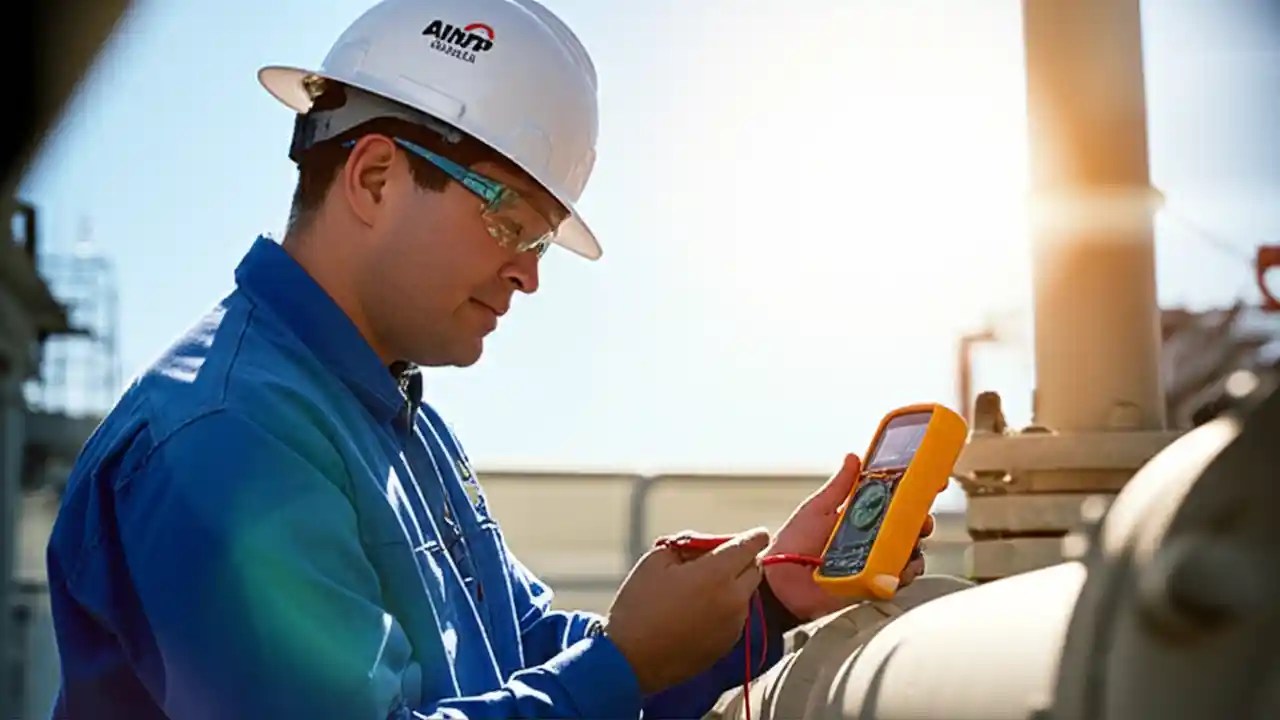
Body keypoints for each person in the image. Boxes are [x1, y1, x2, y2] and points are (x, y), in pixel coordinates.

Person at [44, 1, 928, 718]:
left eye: (542, 241)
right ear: (376, 177)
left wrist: (763, 606)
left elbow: (524, 655)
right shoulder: (228, 439)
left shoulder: (388, 418)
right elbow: (576, 685)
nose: (527, 276)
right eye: (509, 224)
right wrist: (624, 663)